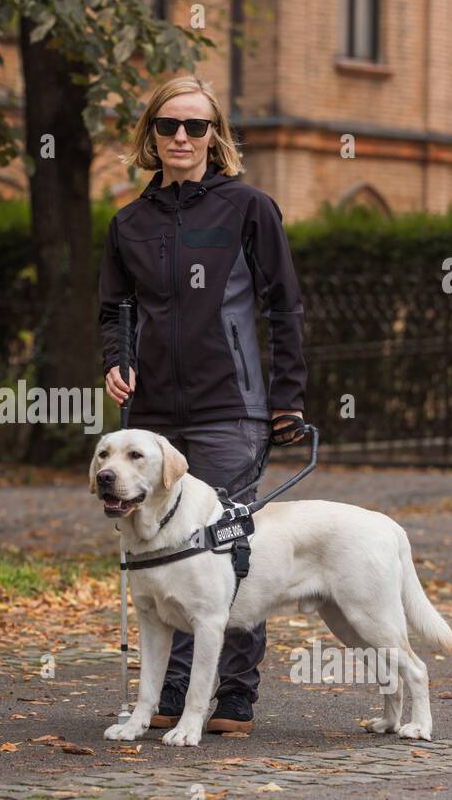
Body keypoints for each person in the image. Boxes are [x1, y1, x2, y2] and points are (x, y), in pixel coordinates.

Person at [97, 74, 307, 735]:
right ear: (151, 137)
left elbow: (284, 305)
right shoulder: (129, 222)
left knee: (222, 544)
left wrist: (287, 396)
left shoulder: (248, 208)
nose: (181, 137)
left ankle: (235, 695)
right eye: (168, 126)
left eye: (195, 126)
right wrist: (116, 357)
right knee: (157, 544)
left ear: (215, 137)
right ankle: (172, 694)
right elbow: (116, 308)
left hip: (232, 407)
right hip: (154, 417)